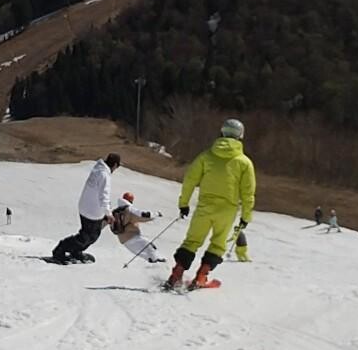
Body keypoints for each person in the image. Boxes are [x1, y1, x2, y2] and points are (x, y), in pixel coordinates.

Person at [166, 119, 256, 290]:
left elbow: (190, 180)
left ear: (221, 133)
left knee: (192, 241)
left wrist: (183, 203)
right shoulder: (244, 163)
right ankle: (201, 276)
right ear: (240, 137)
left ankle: (176, 274)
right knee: (218, 244)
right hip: (227, 211)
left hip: (205, 207)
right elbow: (248, 193)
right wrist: (245, 217)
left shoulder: (206, 156)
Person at [52, 152, 121, 263]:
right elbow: (104, 196)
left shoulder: (98, 169)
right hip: (92, 212)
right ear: (115, 165)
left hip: (86, 207)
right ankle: (60, 249)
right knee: (88, 237)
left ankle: (75, 251)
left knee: (89, 235)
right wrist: (109, 214)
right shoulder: (105, 175)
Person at [109, 192, 163, 264]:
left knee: (142, 253)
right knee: (149, 246)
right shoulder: (129, 210)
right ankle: (158, 262)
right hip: (132, 237)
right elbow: (143, 215)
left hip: (123, 240)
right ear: (131, 200)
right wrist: (156, 214)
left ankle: (153, 261)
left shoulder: (115, 212)